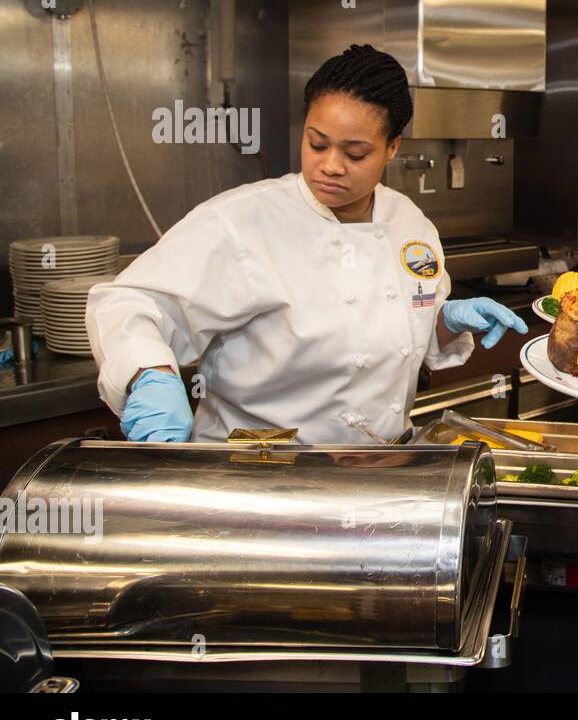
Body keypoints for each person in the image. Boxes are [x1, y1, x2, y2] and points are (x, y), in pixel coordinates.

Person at [87, 44, 527, 445]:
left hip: (380, 469)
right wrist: (150, 374)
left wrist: (445, 321)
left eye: (355, 154)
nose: (330, 166)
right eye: (317, 144)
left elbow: (401, 338)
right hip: (259, 477)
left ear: (392, 148)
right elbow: (126, 301)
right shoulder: (242, 220)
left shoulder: (409, 222)